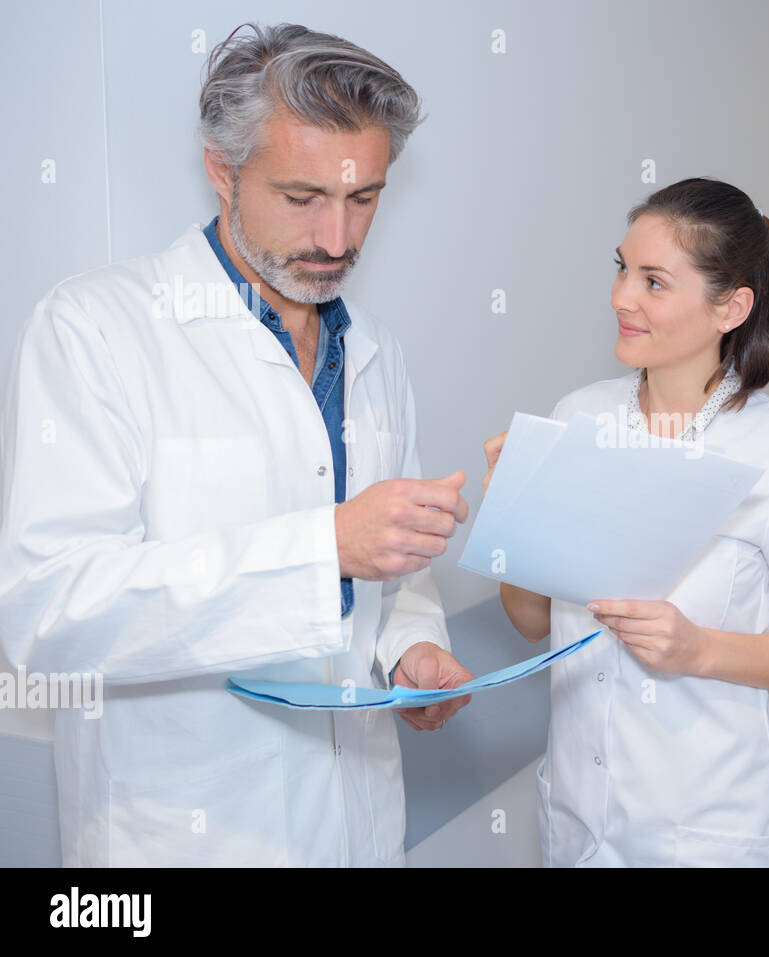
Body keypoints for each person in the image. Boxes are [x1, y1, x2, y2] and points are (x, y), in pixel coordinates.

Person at [0, 23, 474, 866]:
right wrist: (320, 545)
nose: (338, 239)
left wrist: (412, 647)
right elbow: (46, 614)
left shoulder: (375, 351)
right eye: (302, 198)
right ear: (222, 171)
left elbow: (394, 567)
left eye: (364, 196)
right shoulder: (97, 331)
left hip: (362, 827)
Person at [480, 178, 769, 867]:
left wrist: (699, 651)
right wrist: (514, 515)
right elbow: (532, 620)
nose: (623, 296)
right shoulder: (578, 417)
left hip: (704, 822)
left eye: (654, 281)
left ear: (731, 307)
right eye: (622, 269)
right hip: (576, 810)